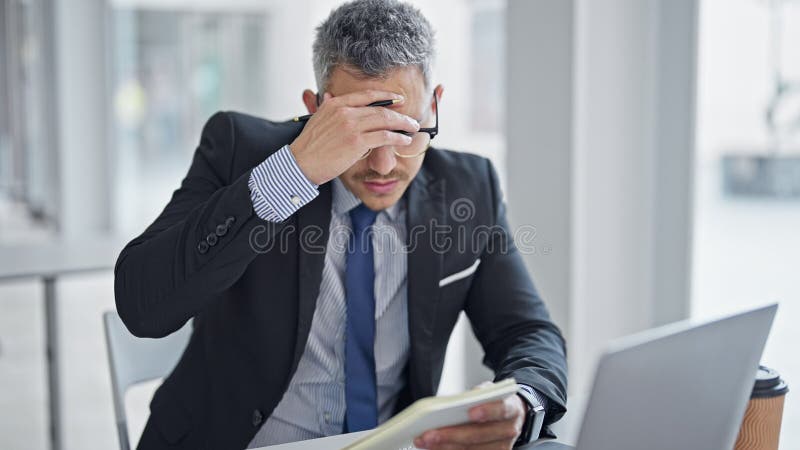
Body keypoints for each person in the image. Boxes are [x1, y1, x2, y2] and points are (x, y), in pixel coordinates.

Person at [114, 0, 567, 448]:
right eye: (361, 133)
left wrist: (523, 401)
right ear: (315, 109)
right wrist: (297, 169)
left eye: (405, 131)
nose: (384, 165)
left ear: (435, 104)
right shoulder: (238, 150)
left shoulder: (468, 186)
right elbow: (143, 305)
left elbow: (526, 332)